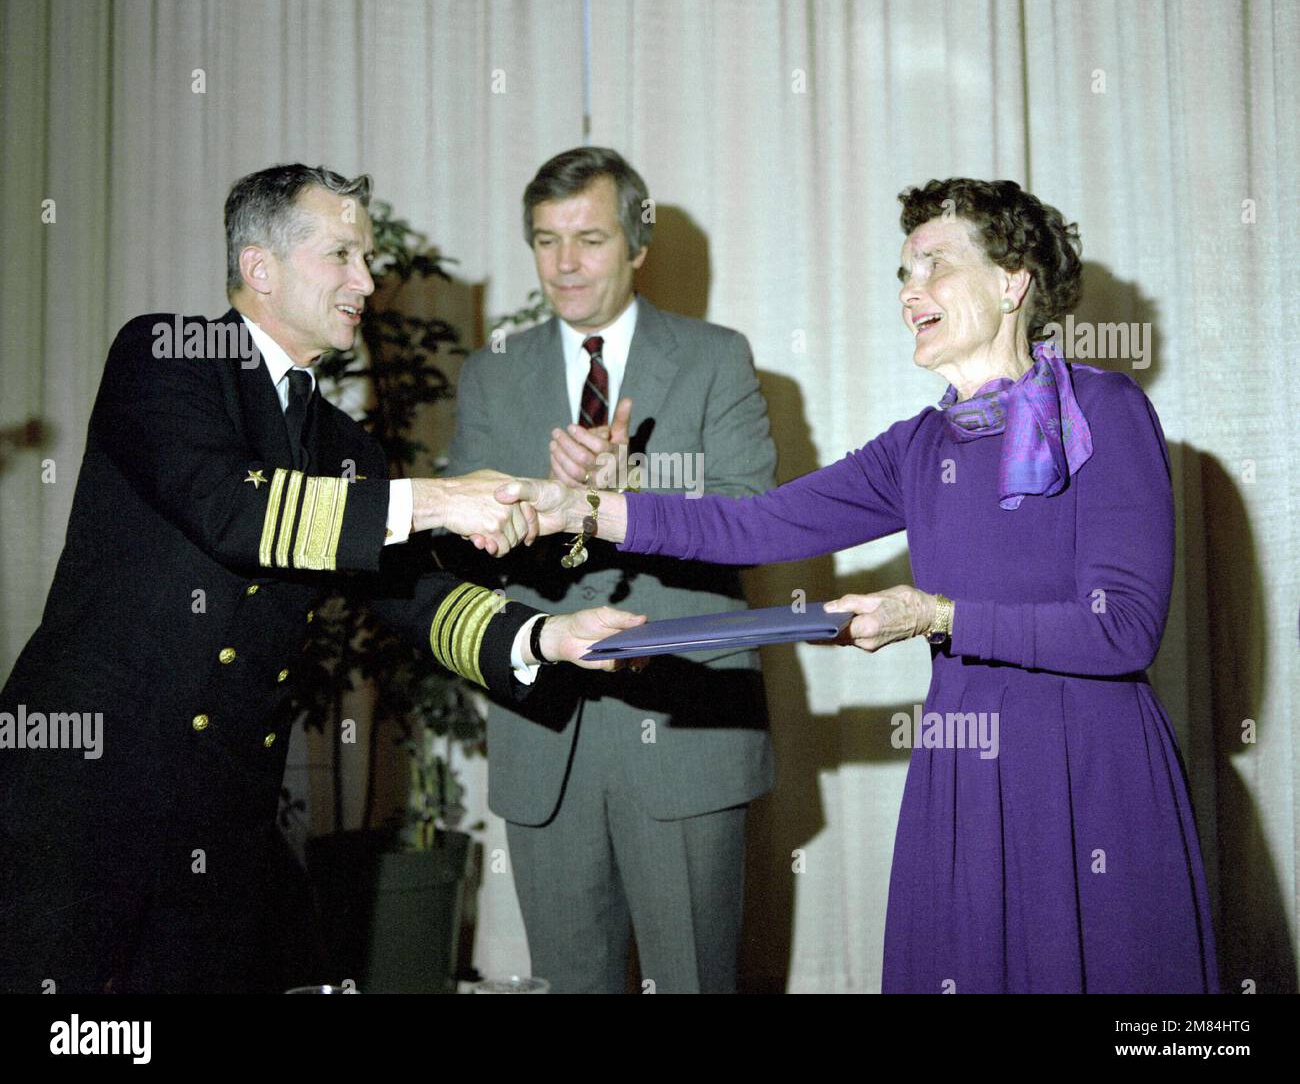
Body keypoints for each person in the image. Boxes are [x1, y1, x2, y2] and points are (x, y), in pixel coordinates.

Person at [500, 177, 1219, 993]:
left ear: (1013, 281)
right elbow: (754, 526)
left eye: (933, 266)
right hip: (963, 773)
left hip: (1087, 769)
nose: (911, 292)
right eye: (903, 274)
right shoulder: (916, 446)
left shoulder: (1106, 408)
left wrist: (937, 615)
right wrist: (583, 508)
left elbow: (1122, 629)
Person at [0, 163, 642, 994]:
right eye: (342, 255)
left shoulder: (348, 445)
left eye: (366, 259)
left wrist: (546, 635)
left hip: (223, 819)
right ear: (260, 268)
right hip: (82, 801)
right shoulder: (166, 358)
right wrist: (441, 498)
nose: (367, 282)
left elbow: (416, 595)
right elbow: (239, 511)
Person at [441, 147, 777, 993]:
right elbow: (457, 543)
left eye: (589, 238)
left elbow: (750, 517)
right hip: (543, 733)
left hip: (687, 724)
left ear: (636, 245)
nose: (564, 264)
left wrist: (630, 490)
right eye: (546, 240)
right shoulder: (494, 373)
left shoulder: (715, 357)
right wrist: (547, 496)